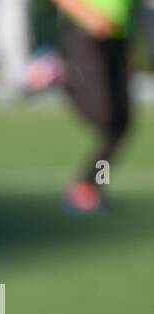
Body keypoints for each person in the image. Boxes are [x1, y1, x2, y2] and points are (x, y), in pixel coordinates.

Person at [51, 0, 138, 213]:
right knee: (105, 114)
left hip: (118, 38)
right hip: (86, 34)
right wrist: (87, 15)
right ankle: (59, 76)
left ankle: (91, 187)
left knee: (119, 125)